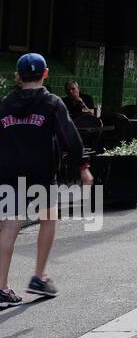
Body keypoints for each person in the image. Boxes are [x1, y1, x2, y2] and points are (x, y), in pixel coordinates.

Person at [0, 54, 91, 308]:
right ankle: (39, 276)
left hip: (8, 171)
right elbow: (69, 136)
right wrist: (83, 166)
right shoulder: (52, 103)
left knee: (9, 225)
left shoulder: (5, 104)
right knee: (49, 218)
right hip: (40, 172)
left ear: (17, 76)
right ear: (46, 74)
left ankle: (1, 287)